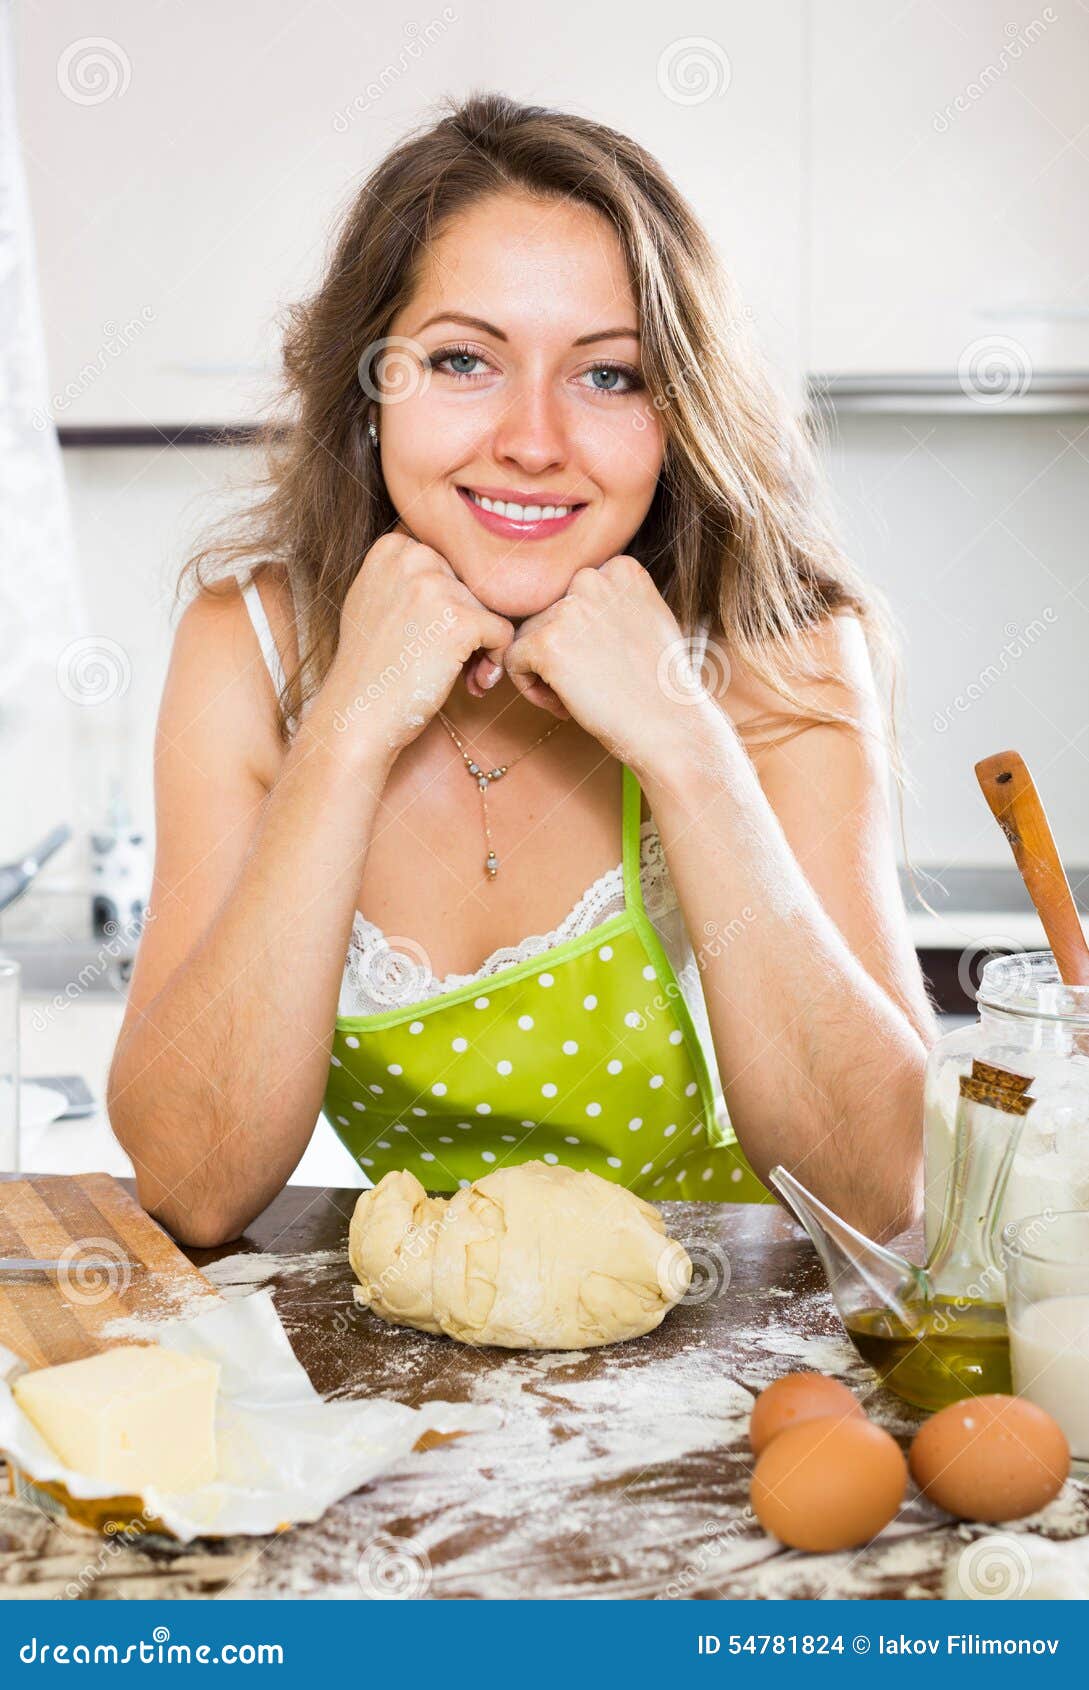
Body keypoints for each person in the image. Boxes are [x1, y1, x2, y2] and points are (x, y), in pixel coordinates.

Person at [107, 92, 937, 1249]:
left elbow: (880, 1185)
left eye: (608, 376)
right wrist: (347, 727)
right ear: (367, 387)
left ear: (675, 409)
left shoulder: (781, 648)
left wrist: (684, 742)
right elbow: (190, 1181)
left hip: (742, 1373)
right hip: (405, 1399)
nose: (535, 440)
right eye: (462, 360)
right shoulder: (247, 648)